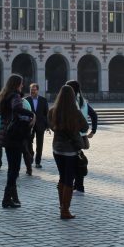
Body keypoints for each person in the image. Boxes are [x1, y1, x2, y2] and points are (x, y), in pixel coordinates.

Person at [49, 85, 88, 219]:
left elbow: (51, 126)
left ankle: (62, 206)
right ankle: (65, 210)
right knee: (69, 180)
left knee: (62, 177)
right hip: (70, 150)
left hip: (57, 149)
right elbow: (85, 126)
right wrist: (74, 128)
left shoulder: (53, 111)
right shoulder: (75, 112)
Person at [0, 74, 34, 209]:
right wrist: (31, 115)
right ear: (17, 84)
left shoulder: (4, 96)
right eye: (21, 83)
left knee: (12, 168)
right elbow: (17, 108)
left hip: (7, 135)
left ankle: (11, 197)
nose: (22, 86)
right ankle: (6, 198)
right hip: (14, 136)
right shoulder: (15, 96)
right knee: (15, 169)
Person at [65, 80, 98, 193]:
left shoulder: (70, 101)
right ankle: (78, 185)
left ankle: (77, 185)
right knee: (78, 159)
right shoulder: (83, 101)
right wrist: (93, 130)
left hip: (72, 136)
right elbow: (94, 115)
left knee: (73, 161)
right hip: (82, 136)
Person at [27, 83, 49, 168]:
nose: (32, 91)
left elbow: (46, 113)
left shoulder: (43, 100)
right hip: (29, 125)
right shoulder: (26, 100)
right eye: (31, 89)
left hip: (40, 125)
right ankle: (31, 154)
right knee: (29, 142)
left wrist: (47, 125)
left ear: (37, 90)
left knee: (40, 144)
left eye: (34, 89)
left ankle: (38, 162)